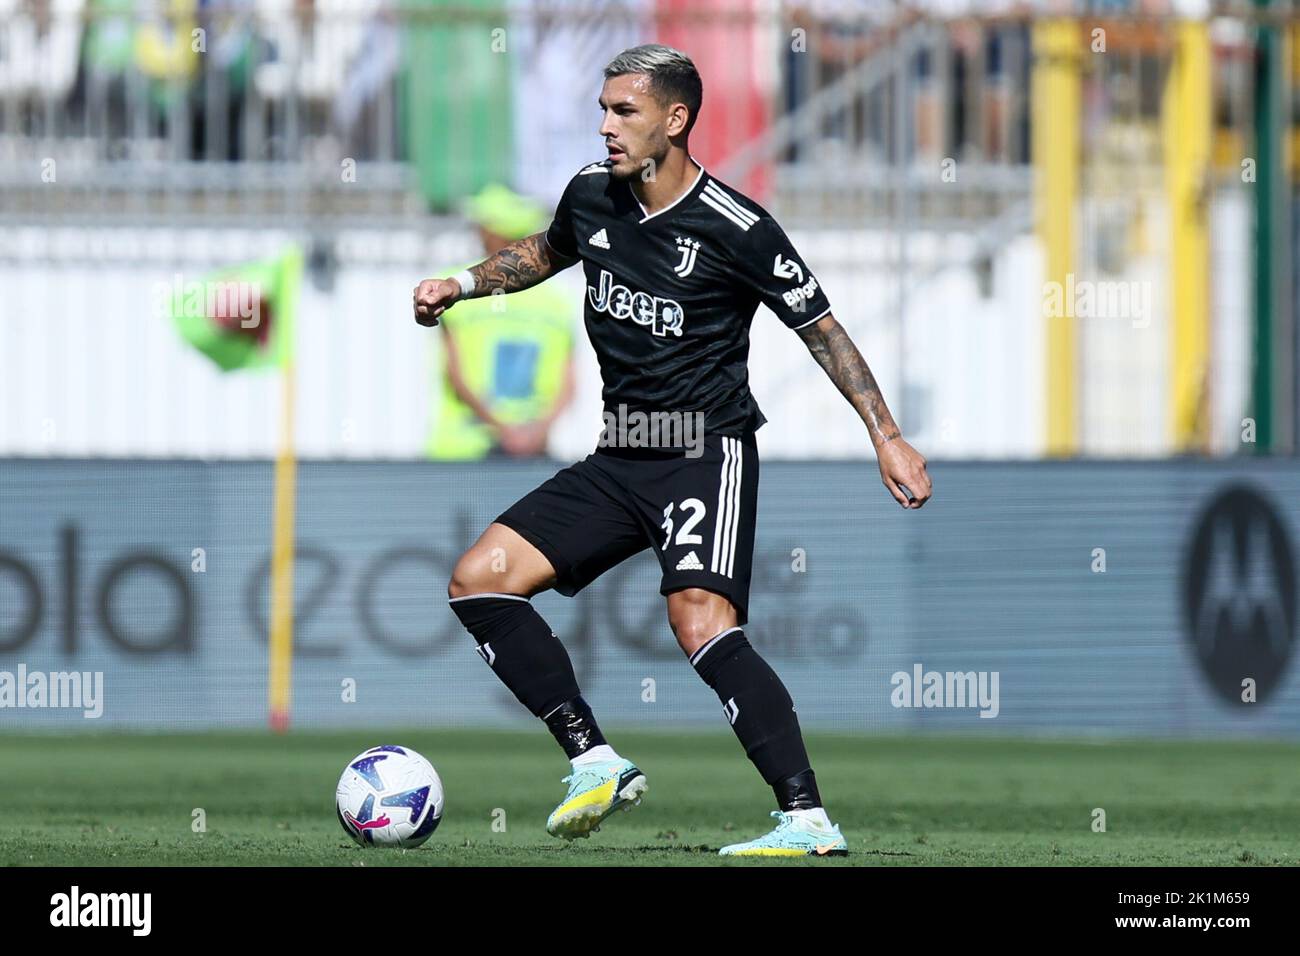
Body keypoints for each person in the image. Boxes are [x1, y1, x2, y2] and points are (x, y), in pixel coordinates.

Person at [413, 44, 931, 857]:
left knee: (700, 622)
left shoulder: (739, 228)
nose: (607, 126)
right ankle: (595, 761)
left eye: (624, 111)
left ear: (675, 118)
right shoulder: (591, 195)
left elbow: (821, 331)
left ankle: (807, 819)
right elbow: (545, 252)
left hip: (703, 450)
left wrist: (887, 436)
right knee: (479, 582)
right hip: (620, 454)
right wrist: (464, 285)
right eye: (604, 108)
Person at [427, 184, 576, 460]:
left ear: (496, 232)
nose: (478, 231)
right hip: (533, 449)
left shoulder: (455, 287)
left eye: (484, 224)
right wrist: (534, 433)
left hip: (463, 449)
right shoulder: (556, 302)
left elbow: (455, 375)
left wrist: (502, 430)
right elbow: (568, 386)